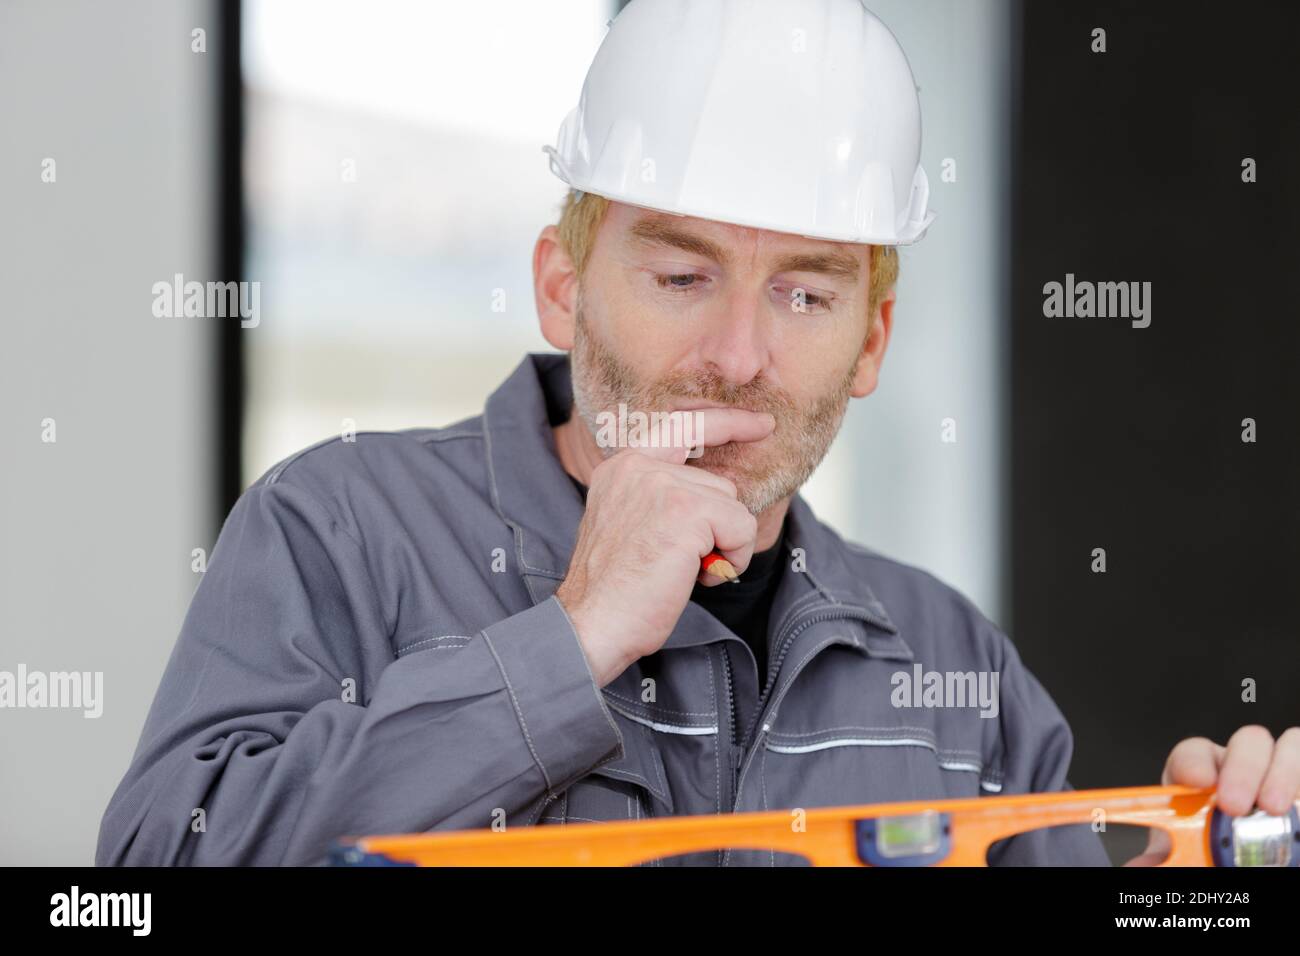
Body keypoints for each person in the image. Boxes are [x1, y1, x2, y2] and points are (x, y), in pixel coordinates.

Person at [97, 0, 1297, 867]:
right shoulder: (341, 534)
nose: (737, 352)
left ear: (871, 344)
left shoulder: (952, 666)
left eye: (806, 292)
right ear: (563, 285)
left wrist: (1184, 896)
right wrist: (564, 645)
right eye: (681, 273)